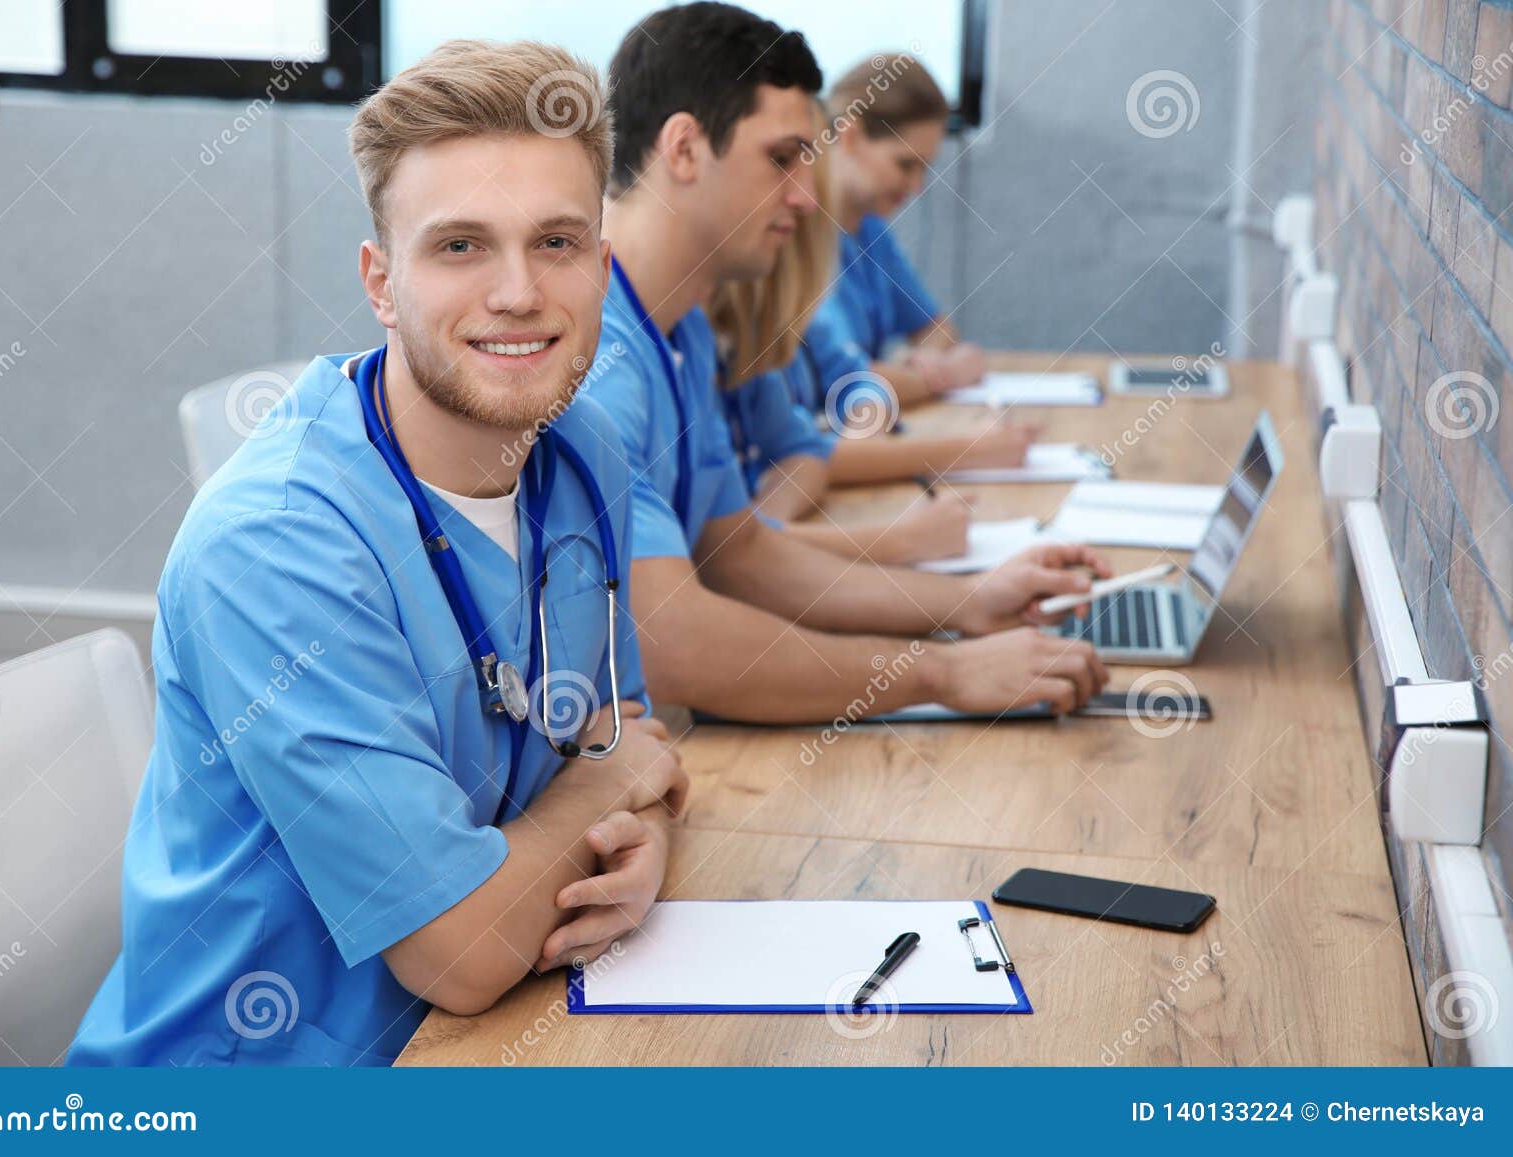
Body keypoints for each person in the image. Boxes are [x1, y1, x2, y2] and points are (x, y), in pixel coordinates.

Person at [68, 41, 686, 1067]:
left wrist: (643, 843)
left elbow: (626, 729)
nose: (518, 291)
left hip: (492, 1030)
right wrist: (598, 795)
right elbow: (459, 950)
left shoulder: (580, 456)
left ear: (601, 269)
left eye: (557, 243)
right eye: (459, 247)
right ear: (380, 283)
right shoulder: (271, 547)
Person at [590, 2, 1109, 725]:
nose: (806, 197)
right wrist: (946, 671)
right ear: (683, 149)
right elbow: (675, 642)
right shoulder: (591, 356)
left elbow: (741, 557)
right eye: (780, 159)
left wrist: (966, 601)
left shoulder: (682, 333)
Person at [707, 114, 1031, 565]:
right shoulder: (691, 335)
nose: (804, 199)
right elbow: (719, 556)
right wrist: (960, 428)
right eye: (780, 163)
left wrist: (765, 537)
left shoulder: (786, 294)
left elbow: (813, 440)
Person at [821, 54, 994, 408]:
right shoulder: (793, 236)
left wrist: (917, 365)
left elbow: (937, 327)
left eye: (925, 168)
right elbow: (850, 383)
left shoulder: (870, 231)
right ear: (849, 136)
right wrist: (949, 373)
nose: (917, 187)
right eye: (905, 164)